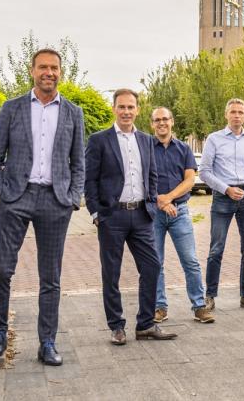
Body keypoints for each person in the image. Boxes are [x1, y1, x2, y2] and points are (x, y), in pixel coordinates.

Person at [0, 48, 85, 367]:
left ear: (60, 72)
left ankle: (47, 341)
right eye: (43, 67)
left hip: (56, 202)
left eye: (54, 68)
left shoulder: (73, 112)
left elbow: (78, 163)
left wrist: (73, 197)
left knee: (50, 276)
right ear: (32, 71)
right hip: (16, 197)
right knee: (1, 269)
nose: (49, 73)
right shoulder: (11, 108)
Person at [85, 89, 177, 345]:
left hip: (142, 215)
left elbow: (152, 175)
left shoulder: (147, 140)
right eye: (122, 107)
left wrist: (151, 202)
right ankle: (116, 326)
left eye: (131, 107)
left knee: (152, 266)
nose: (126, 111)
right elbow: (89, 179)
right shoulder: (99, 140)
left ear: (137, 110)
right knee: (111, 273)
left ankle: (145, 324)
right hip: (111, 216)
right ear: (114, 108)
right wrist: (96, 213)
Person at [149, 107, 214, 324]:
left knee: (191, 261)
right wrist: (161, 201)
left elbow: (189, 181)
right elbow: (141, 181)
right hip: (154, 214)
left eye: (165, 119)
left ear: (172, 121)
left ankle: (199, 306)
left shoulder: (184, 149)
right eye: (157, 120)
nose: (161, 123)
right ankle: (159, 307)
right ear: (152, 124)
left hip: (180, 212)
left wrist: (168, 198)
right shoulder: (145, 148)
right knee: (155, 263)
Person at [198, 98, 244, 312]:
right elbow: (204, 172)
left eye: (240, 112)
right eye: (233, 112)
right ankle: (210, 296)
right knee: (216, 249)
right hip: (223, 197)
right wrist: (226, 188)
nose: (236, 115)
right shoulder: (214, 139)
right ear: (227, 114)